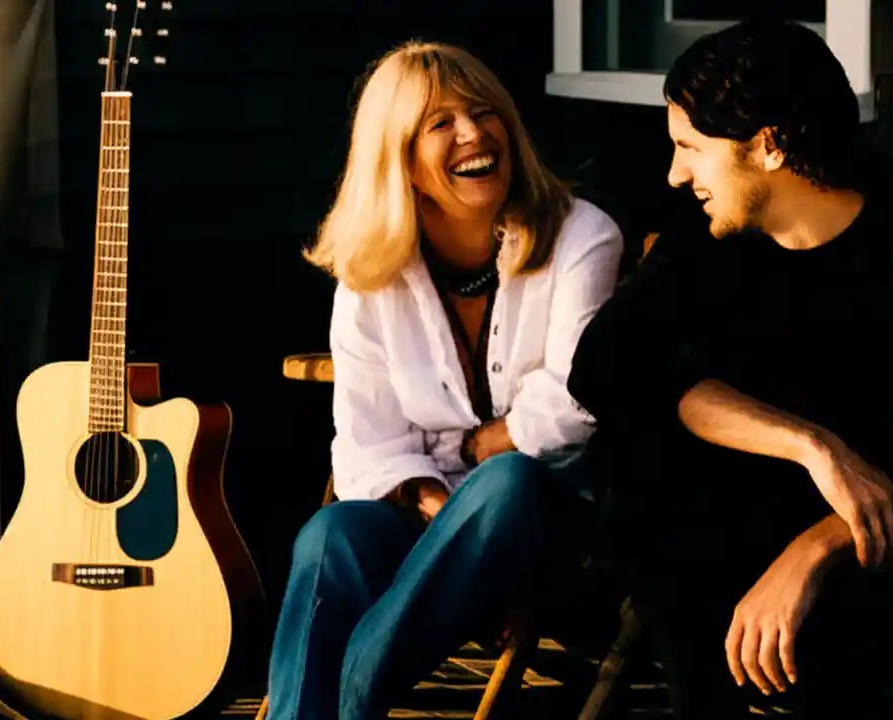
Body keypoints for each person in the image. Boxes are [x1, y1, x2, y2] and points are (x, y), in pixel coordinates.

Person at [567, 17, 893, 720]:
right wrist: (810, 447)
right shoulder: (704, 248)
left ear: (770, 145)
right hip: (748, 564)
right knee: (645, 462)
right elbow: (602, 368)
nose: (675, 175)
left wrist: (822, 540)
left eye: (690, 149)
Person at [263, 40, 624, 720]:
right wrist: (442, 516)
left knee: (508, 481)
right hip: (437, 541)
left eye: (484, 113)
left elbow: (572, 407)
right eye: (440, 124)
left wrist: (464, 450)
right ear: (399, 159)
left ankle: (351, 702)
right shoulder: (372, 275)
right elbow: (367, 451)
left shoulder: (582, 237)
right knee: (330, 535)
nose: (473, 134)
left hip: (562, 530)